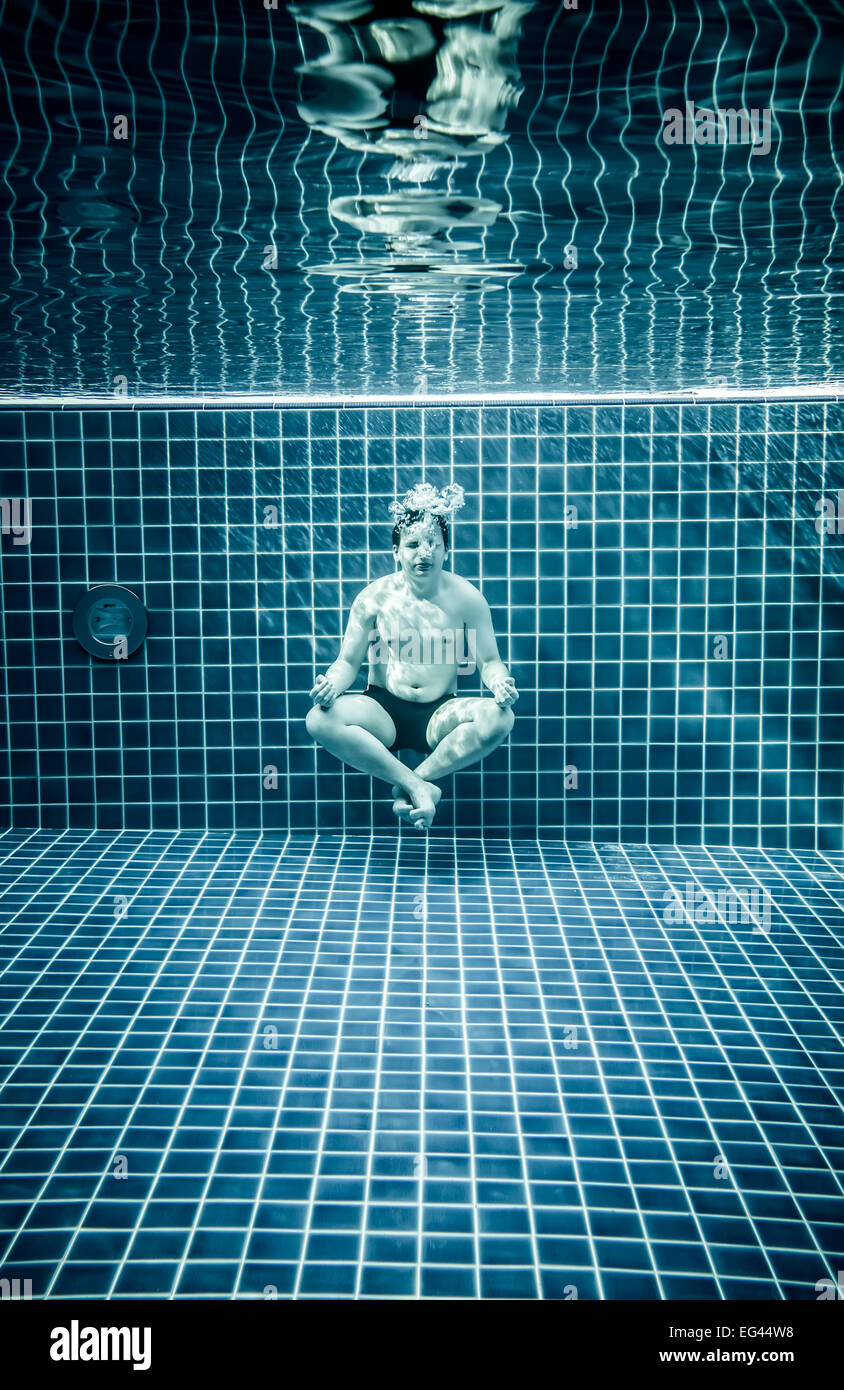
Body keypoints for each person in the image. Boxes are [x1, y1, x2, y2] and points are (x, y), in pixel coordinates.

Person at [306, 482, 518, 830]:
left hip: (439, 714)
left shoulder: (466, 598)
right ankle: (420, 788)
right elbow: (347, 663)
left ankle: (416, 781)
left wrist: (500, 684)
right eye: (414, 544)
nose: (425, 552)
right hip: (381, 710)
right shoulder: (373, 597)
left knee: (501, 718)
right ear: (396, 551)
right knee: (318, 719)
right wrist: (330, 684)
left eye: (434, 543)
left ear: (446, 550)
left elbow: (490, 662)